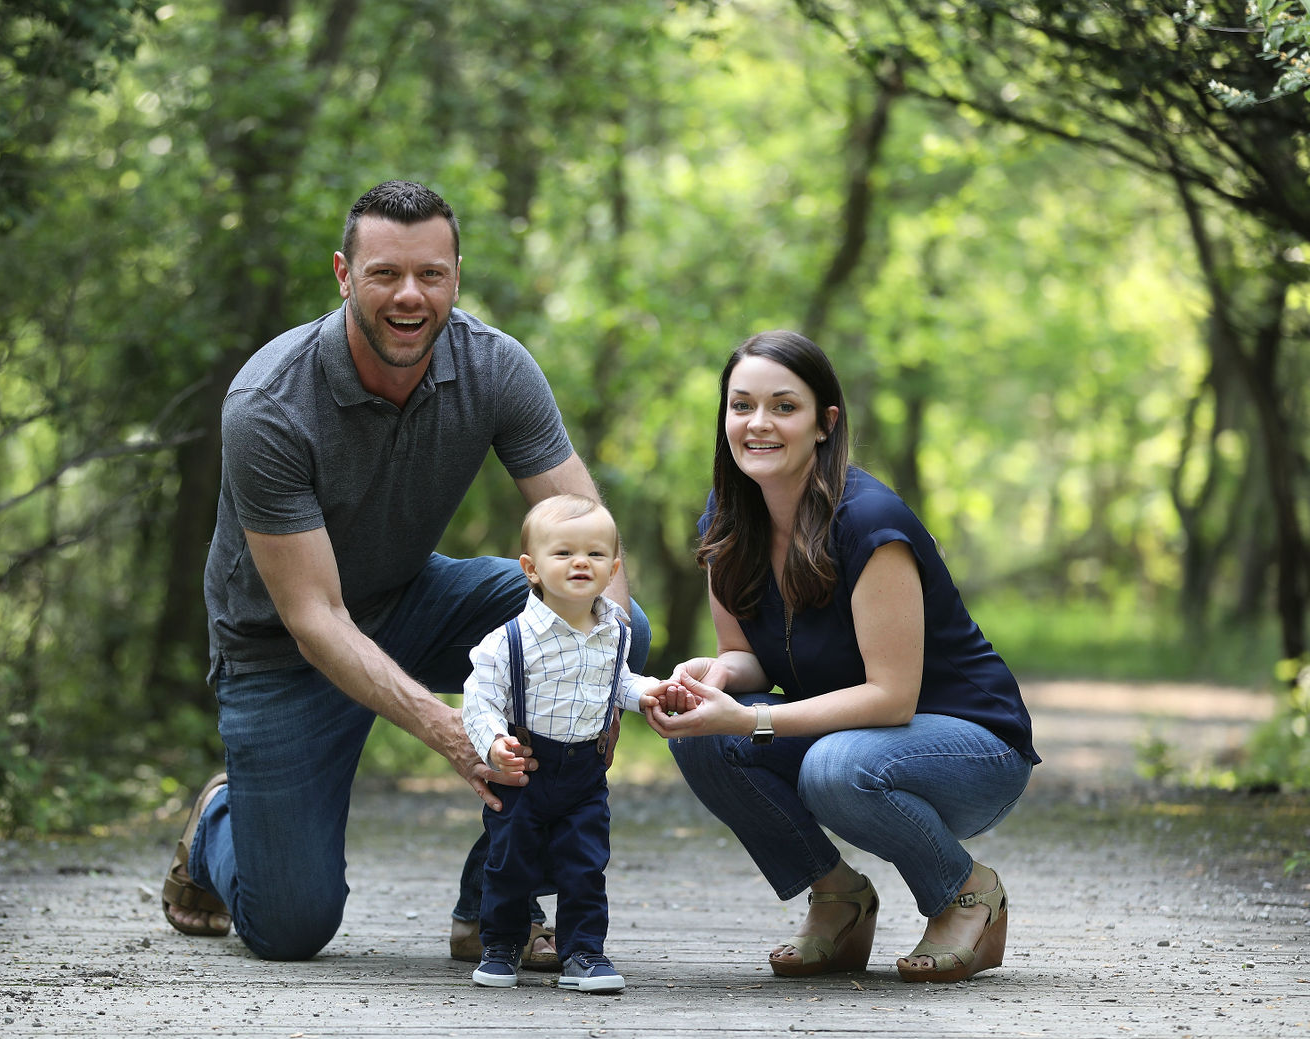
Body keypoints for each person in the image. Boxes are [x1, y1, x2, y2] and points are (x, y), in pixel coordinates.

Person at [158, 180, 650, 966]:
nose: (410, 296)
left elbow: (586, 534)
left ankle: (497, 902)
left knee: (606, 622)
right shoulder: (269, 403)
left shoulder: (494, 367)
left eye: (432, 274)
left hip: (409, 601)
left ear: (457, 273)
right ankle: (223, 820)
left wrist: (604, 679)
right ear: (344, 275)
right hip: (281, 650)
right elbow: (315, 616)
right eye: (385, 274)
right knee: (289, 929)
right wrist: (456, 735)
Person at [645, 329, 1039, 983]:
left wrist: (749, 719)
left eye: (783, 406)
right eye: (741, 406)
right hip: (856, 739)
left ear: (825, 423)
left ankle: (965, 894)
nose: (758, 423)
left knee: (832, 766)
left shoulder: (869, 522)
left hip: (971, 748)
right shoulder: (725, 517)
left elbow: (892, 697)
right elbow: (747, 657)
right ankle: (838, 898)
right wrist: (712, 680)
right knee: (701, 741)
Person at [462, 495, 678, 993]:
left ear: (613, 569)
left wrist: (648, 692)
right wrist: (494, 743)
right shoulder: (507, 641)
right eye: (563, 553)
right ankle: (500, 946)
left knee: (585, 863)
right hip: (526, 766)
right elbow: (481, 699)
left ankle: (583, 952)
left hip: (585, 772)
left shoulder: (614, 633)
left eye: (595, 554)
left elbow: (615, 681)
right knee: (510, 859)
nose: (581, 562)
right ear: (531, 568)